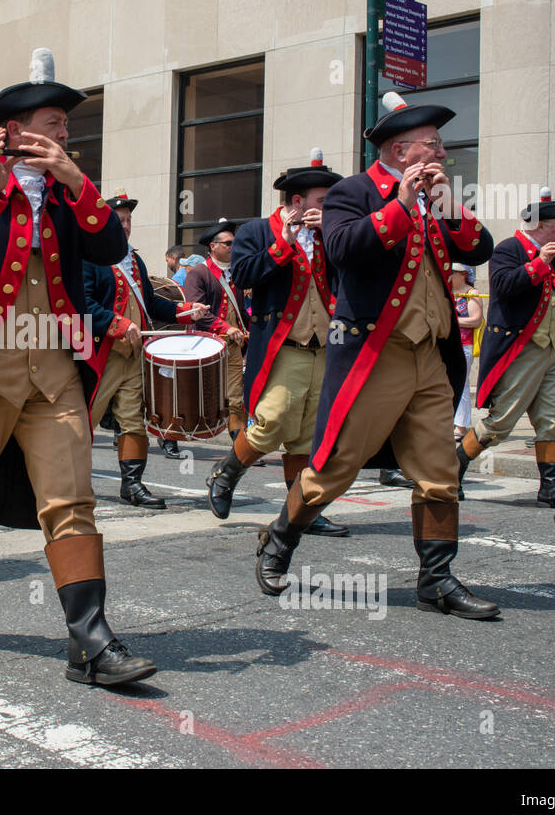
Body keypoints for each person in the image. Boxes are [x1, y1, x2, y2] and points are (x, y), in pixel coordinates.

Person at [0, 47, 154, 686]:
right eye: (54, 125)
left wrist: (78, 182)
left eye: (66, 128)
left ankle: (91, 641)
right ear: (15, 131)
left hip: (57, 368)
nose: (64, 135)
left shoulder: (71, 191)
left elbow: (111, 247)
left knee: (73, 500)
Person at [254, 91, 498, 620]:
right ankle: (280, 538)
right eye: (432, 145)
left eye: (439, 144)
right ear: (399, 148)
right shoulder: (353, 192)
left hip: (430, 356)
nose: (441, 152)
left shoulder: (437, 199)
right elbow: (343, 251)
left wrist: (446, 202)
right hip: (373, 352)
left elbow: (480, 248)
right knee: (335, 466)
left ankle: (437, 580)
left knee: (439, 471)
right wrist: (401, 206)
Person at [209, 149, 349, 538]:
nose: (328, 208)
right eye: (323, 201)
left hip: (325, 345)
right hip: (283, 345)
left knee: (309, 434)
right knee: (271, 422)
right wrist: (283, 244)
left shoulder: (329, 233)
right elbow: (243, 274)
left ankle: (302, 511)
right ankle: (225, 474)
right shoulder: (257, 231)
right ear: (297, 202)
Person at [456, 189, 555, 506]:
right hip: (520, 349)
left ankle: (550, 486)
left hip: (550, 351)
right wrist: (540, 262)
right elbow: (505, 286)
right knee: (500, 422)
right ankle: (454, 465)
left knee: (554, 422)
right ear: (540, 226)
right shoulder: (510, 248)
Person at [85, 188, 206, 509]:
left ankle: (132, 485)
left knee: (133, 422)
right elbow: (82, 304)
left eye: (127, 220)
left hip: (133, 355)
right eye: (118, 219)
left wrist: (185, 310)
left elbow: (150, 303)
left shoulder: (133, 259)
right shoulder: (90, 256)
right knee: (83, 421)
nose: (124, 225)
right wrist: (119, 325)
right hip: (101, 355)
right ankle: (70, 481)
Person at [184, 219, 252, 439]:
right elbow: (197, 312)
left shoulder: (235, 272)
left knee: (235, 398)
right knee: (198, 394)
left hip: (232, 347)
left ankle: (240, 449)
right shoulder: (199, 273)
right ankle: (171, 435)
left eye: (235, 243)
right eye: (228, 243)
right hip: (206, 346)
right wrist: (225, 327)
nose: (234, 247)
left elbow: (241, 310)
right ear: (213, 246)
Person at [450, 263, 483, 440]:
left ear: (462, 274)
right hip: (447, 343)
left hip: (464, 344)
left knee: (461, 385)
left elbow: (475, 320)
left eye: (453, 272)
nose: (449, 274)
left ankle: (461, 426)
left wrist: (451, 321)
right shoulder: (446, 291)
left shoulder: (472, 293)